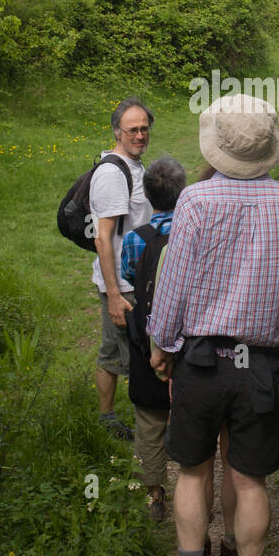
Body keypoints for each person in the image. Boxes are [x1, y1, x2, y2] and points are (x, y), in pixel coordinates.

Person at [148, 94, 279, 556]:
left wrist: (161, 345)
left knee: (192, 469)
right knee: (249, 478)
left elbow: (173, 286)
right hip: (264, 366)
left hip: (202, 361)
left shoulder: (195, 202)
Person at [120, 156, 187, 522]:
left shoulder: (135, 239)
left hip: (148, 341)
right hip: (189, 342)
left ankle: (155, 494)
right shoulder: (194, 232)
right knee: (191, 412)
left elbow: (129, 275)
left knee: (148, 418)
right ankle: (196, 480)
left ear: (147, 195)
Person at [89, 96, 154, 441]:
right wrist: (113, 294)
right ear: (117, 132)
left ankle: (110, 419)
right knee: (129, 356)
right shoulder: (114, 174)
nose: (140, 135)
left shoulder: (133, 166)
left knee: (116, 353)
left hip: (131, 280)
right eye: (133, 130)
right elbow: (103, 238)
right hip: (121, 285)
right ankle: (124, 425)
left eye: (144, 128)